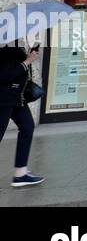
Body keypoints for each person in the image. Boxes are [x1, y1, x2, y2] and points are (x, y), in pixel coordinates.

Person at [0, 41, 42, 187]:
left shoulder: (13, 46)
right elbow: (4, 75)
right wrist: (28, 60)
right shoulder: (4, 48)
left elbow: (18, 68)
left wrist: (28, 56)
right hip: (4, 100)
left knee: (27, 127)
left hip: (17, 98)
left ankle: (20, 173)